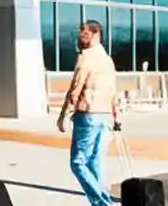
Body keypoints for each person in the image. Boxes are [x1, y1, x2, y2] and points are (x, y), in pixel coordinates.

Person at [56, 20, 119, 206]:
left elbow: (76, 87)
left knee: (78, 162)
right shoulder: (107, 59)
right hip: (105, 115)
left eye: (83, 33)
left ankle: (103, 203)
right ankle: (104, 201)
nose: (79, 37)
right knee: (94, 163)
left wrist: (64, 115)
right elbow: (113, 90)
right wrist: (116, 115)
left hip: (88, 114)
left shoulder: (86, 57)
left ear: (95, 34)